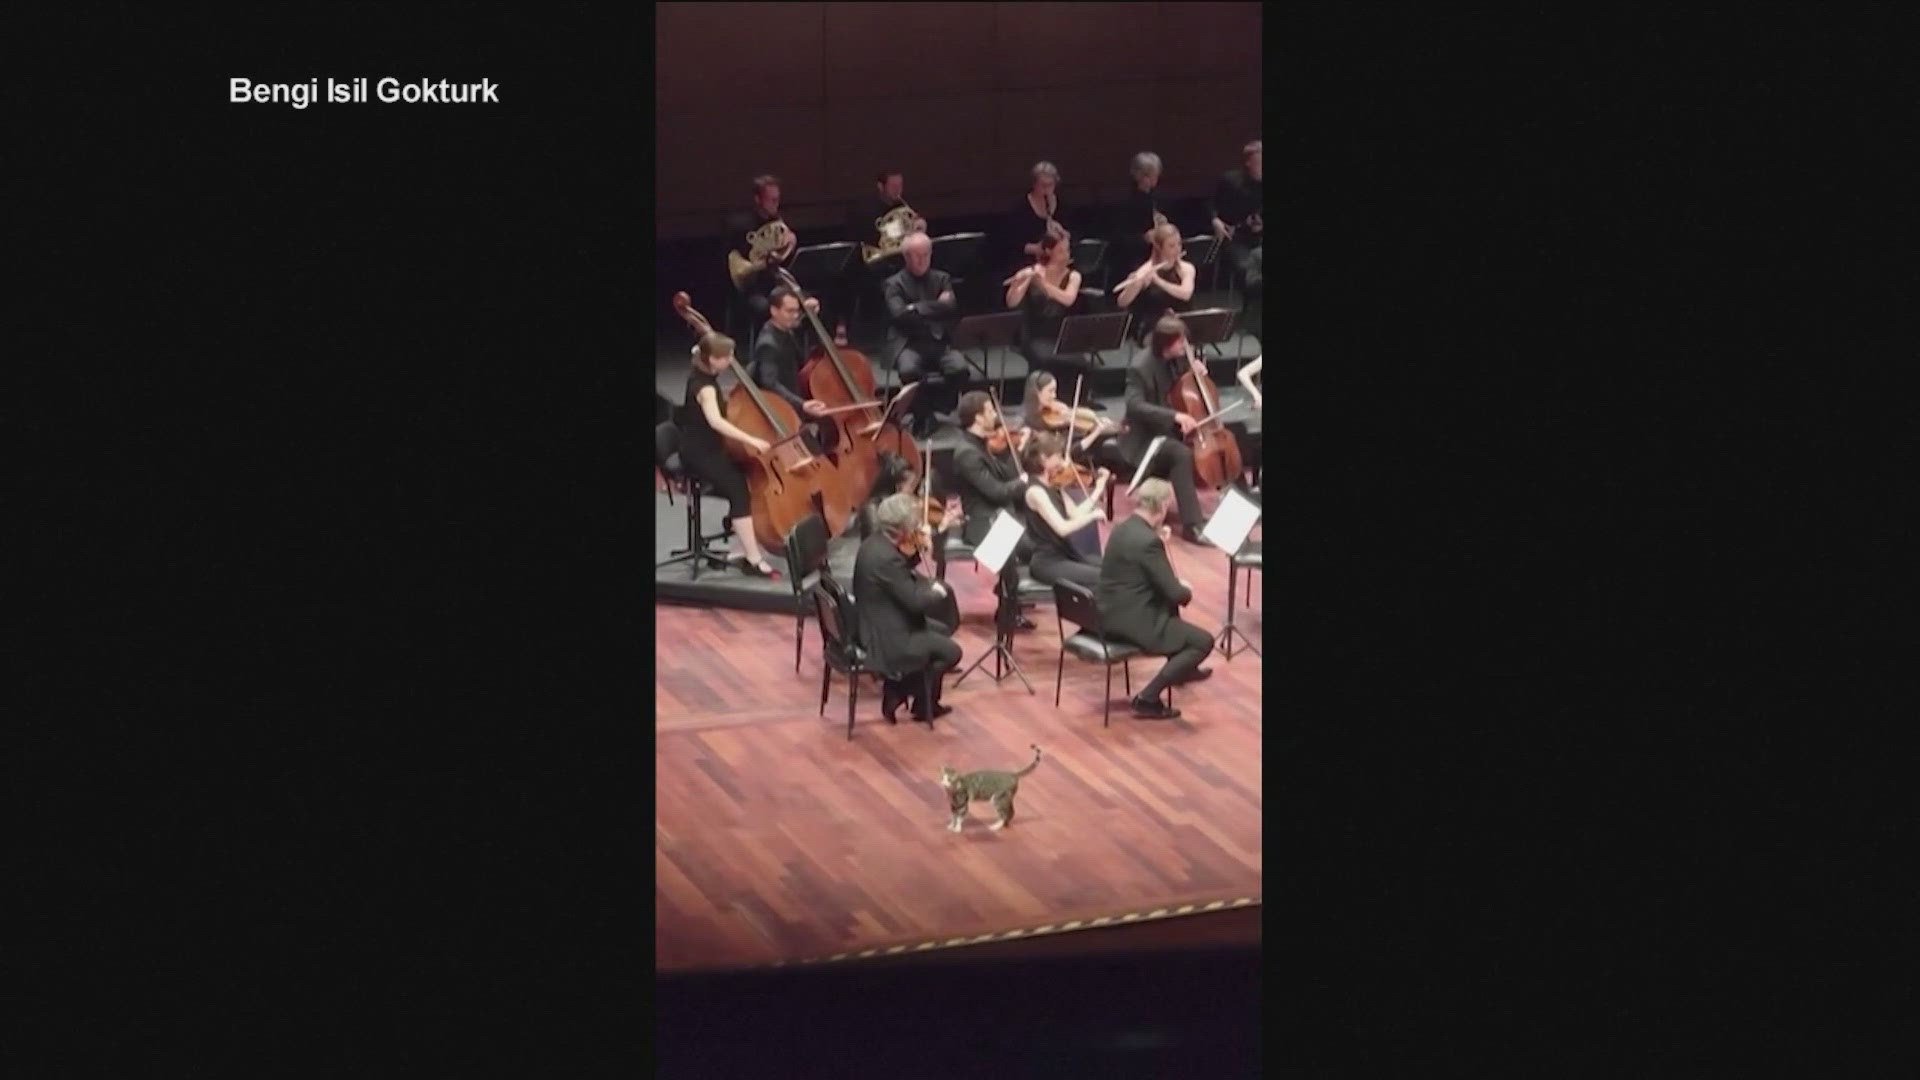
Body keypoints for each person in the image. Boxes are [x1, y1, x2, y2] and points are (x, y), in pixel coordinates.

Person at [1096, 477, 1214, 719]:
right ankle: (1148, 698)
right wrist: (1185, 589)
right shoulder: (1148, 542)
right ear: (1161, 506)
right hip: (1132, 622)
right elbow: (1174, 593)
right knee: (1203, 641)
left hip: (1110, 612)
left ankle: (1182, 669)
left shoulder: (1123, 528)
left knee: (1169, 609)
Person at [853, 492, 965, 721]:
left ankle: (921, 701)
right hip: (887, 637)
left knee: (942, 631)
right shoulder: (885, 558)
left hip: (881, 618)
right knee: (952, 652)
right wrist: (936, 591)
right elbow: (914, 603)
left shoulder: (876, 542)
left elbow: (900, 570)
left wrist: (919, 550)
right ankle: (902, 691)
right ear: (903, 529)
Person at [677, 332, 777, 576]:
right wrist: (750, 439)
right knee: (738, 490)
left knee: (744, 483)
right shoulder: (706, 388)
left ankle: (743, 546)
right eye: (726, 356)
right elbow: (716, 422)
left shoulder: (704, 373)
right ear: (712, 359)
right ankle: (753, 560)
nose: (731, 360)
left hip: (709, 446)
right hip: (699, 451)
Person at [1120, 315, 1211, 545]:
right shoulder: (1140, 367)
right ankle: (1192, 526)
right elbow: (1134, 404)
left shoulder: (1178, 359)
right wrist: (1175, 415)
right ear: (1167, 344)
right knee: (1180, 453)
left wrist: (1195, 370)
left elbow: (1182, 385)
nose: (1185, 347)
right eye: (1181, 343)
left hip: (1168, 431)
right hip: (1145, 438)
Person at [950, 390, 1036, 628]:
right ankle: (1008, 610)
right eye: (990, 411)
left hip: (996, 515)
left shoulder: (979, 445)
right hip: (980, 521)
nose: (995, 415)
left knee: (1032, 544)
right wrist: (1024, 483)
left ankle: (1011, 596)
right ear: (978, 418)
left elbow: (1004, 474)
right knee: (1011, 547)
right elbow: (996, 492)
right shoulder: (967, 454)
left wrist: (1018, 451)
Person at [883, 233, 971, 437]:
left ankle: (936, 407)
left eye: (926, 254)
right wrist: (936, 306)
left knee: (959, 368)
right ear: (906, 257)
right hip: (908, 343)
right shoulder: (893, 284)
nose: (922, 260)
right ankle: (923, 415)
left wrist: (916, 308)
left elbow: (951, 308)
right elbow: (900, 315)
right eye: (916, 255)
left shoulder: (942, 278)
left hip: (938, 341)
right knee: (909, 370)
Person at [750, 286, 842, 460]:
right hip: (784, 410)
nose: (794, 316)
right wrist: (802, 404)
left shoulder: (785, 330)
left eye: (796, 311)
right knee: (816, 455)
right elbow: (770, 384)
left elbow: (802, 326)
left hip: (796, 401)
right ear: (774, 311)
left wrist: (812, 313)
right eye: (789, 311)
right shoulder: (768, 343)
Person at [1016, 432, 1109, 591]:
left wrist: (1098, 489)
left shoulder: (1053, 485)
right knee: (1104, 578)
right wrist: (1093, 515)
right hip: (1048, 563)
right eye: (1058, 456)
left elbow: (1076, 513)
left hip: (1065, 554)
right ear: (1044, 459)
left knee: (1112, 569)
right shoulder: (1035, 492)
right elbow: (1063, 528)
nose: (1063, 461)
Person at [1005, 232, 1087, 402]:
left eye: (1067, 250)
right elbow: (1012, 302)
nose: (1067, 254)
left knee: (1082, 362)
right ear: (1049, 252)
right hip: (1034, 334)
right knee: (1044, 358)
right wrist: (1018, 284)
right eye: (1061, 251)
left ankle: (1075, 403)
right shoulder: (1033, 272)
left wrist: (1043, 284)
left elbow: (1068, 299)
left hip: (1061, 334)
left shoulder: (1073, 275)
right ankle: (1041, 402)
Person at [1021, 369, 1129, 477]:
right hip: (1066, 458)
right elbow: (1068, 451)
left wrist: (1074, 414)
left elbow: (1079, 416)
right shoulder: (1033, 422)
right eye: (1050, 391)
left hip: (1076, 445)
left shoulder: (1056, 410)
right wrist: (1096, 431)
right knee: (1099, 437)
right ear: (1037, 392)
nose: (1054, 396)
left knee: (1105, 434)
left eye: (1055, 391)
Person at [1210, 140, 1263, 344]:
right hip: (1237, 238)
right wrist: (1215, 220)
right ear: (1248, 163)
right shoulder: (1230, 180)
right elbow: (1212, 204)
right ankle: (1251, 313)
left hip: (1259, 238)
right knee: (1246, 268)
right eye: (1259, 162)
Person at [1114, 223, 1196, 344]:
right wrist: (1135, 285)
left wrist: (1158, 281)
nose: (1178, 249)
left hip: (1181, 324)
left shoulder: (1186, 268)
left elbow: (1186, 293)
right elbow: (1122, 302)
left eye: (1179, 244)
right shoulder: (1145, 270)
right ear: (1159, 247)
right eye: (1172, 246)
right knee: (1168, 342)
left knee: (1182, 341)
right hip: (1153, 328)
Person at [998, 160, 1069, 272]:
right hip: (1027, 263)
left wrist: (1063, 234)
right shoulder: (1021, 207)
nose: (1046, 189)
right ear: (1034, 184)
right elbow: (1010, 243)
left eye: (1050, 185)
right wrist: (1036, 249)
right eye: (1043, 185)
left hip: (1055, 262)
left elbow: (1070, 237)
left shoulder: (1061, 204)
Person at [1112, 151, 1167, 274]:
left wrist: (1160, 221)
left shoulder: (1152, 196)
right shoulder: (1126, 199)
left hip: (1150, 253)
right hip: (1131, 259)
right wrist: (1143, 238)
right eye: (1151, 176)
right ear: (1140, 176)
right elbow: (1119, 236)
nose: (1155, 179)